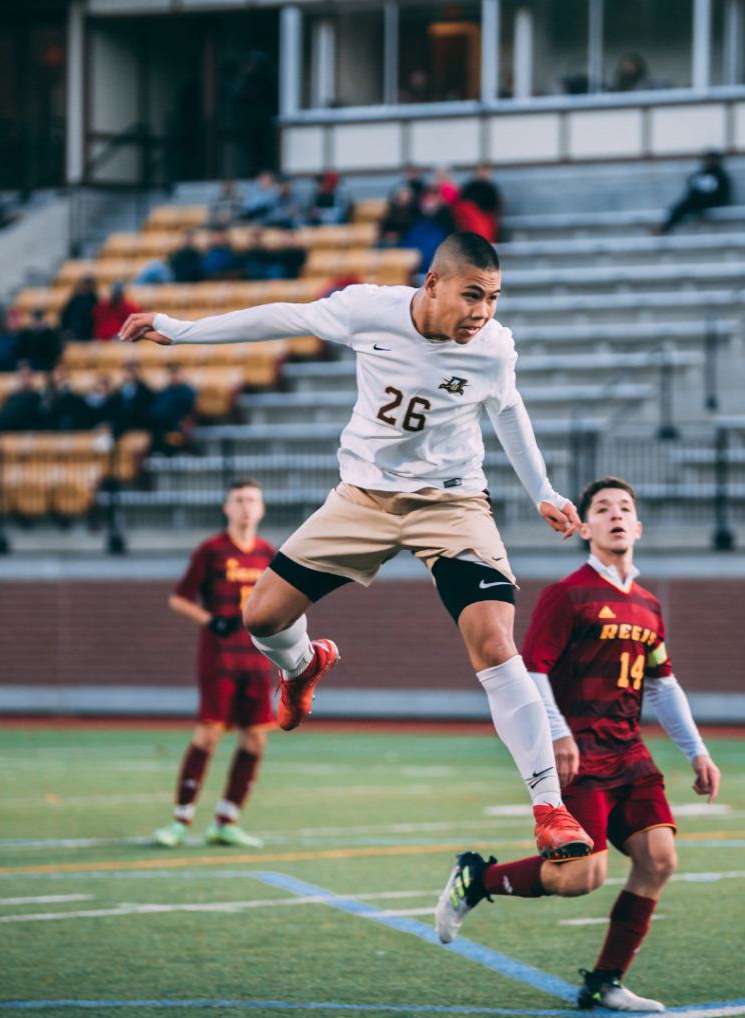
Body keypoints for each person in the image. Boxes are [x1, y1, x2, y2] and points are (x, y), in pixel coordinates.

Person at [118, 231, 593, 862]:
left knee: (495, 642)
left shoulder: (494, 347)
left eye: (494, 297)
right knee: (260, 616)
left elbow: (509, 409)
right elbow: (282, 317)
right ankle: (302, 666)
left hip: (452, 505)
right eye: (472, 294)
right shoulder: (367, 309)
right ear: (432, 285)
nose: (483, 311)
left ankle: (549, 810)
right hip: (361, 499)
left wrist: (542, 490)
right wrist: (179, 329)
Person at [434, 478, 721, 1011]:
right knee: (582, 876)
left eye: (625, 508)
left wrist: (696, 751)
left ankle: (605, 981)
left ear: (637, 527)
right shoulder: (565, 595)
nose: (616, 514)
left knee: (659, 858)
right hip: (579, 755)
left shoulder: (650, 606)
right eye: (603, 508)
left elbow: (662, 685)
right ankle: (478, 878)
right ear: (584, 528)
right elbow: (531, 669)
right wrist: (559, 733)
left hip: (629, 753)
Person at [153, 480, 277, 849]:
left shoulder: (269, 553)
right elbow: (179, 598)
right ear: (226, 507)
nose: (245, 507)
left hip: (256, 659)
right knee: (208, 733)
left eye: (252, 500)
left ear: (262, 508)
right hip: (219, 658)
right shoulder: (211, 550)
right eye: (238, 500)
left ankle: (226, 820)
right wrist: (210, 620)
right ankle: (180, 820)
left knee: (256, 739)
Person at [658, 151, 732, 234]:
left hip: (711, 202)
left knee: (688, 205)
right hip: (698, 202)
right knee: (679, 208)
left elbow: (722, 194)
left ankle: (664, 228)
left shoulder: (720, 176)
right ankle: (665, 227)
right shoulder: (700, 174)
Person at [146, 364, 196, 454]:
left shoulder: (187, 391)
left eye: (175, 373)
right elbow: (155, 407)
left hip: (175, 423)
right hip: (158, 423)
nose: (173, 376)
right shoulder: (165, 391)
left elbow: (187, 408)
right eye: (171, 373)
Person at [107, 359, 154, 438]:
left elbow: (148, 401)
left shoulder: (143, 388)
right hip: (123, 419)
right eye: (129, 369)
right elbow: (114, 404)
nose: (131, 372)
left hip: (139, 419)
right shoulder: (121, 388)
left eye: (134, 369)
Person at [455, 165, 501, 243]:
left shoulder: (490, 188)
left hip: (485, 216)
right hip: (474, 216)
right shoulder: (471, 186)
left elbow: (493, 204)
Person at [0, 363, 41, 432]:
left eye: (28, 375)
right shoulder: (13, 397)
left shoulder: (36, 398)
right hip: (11, 430)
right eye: (23, 376)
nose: (26, 379)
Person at [60, 277, 99, 341]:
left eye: (87, 286)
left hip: (89, 333)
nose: (85, 288)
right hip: (75, 331)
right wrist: (65, 329)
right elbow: (65, 315)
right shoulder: (75, 300)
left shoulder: (94, 300)